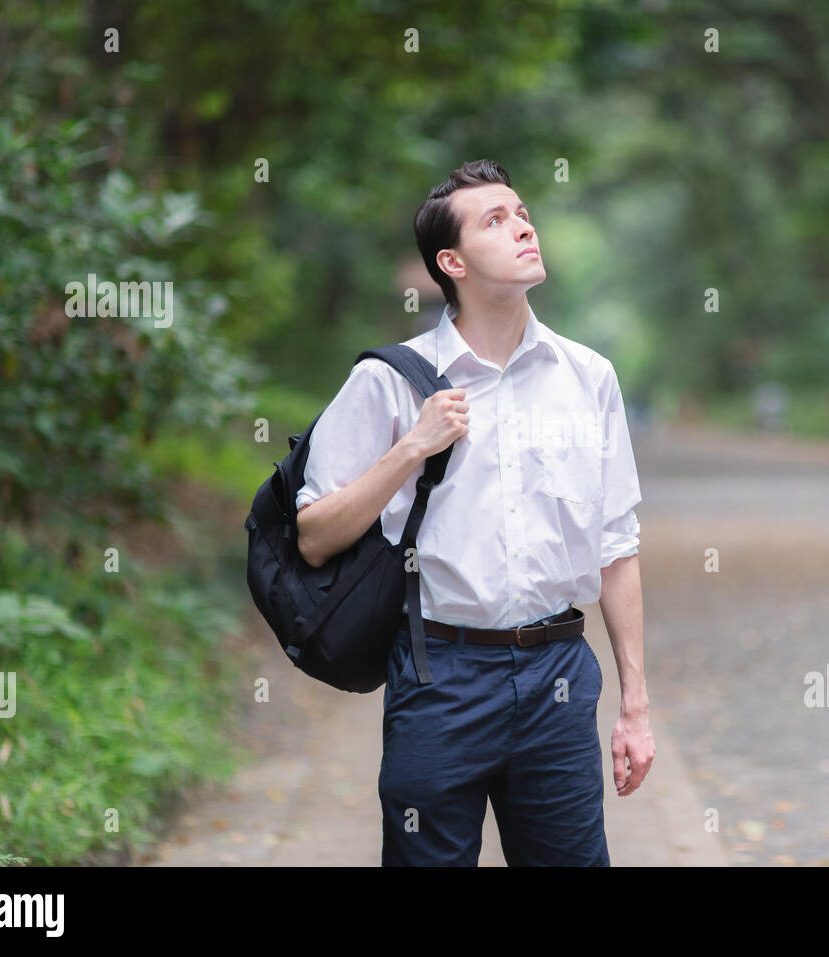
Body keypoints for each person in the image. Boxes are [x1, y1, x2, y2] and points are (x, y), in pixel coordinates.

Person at [293, 159, 654, 866]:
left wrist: (635, 706)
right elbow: (312, 535)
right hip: (440, 678)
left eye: (521, 212)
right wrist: (411, 448)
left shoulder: (588, 377)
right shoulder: (390, 381)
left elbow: (617, 546)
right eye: (495, 219)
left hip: (558, 677)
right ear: (451, 262)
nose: (523, 225)